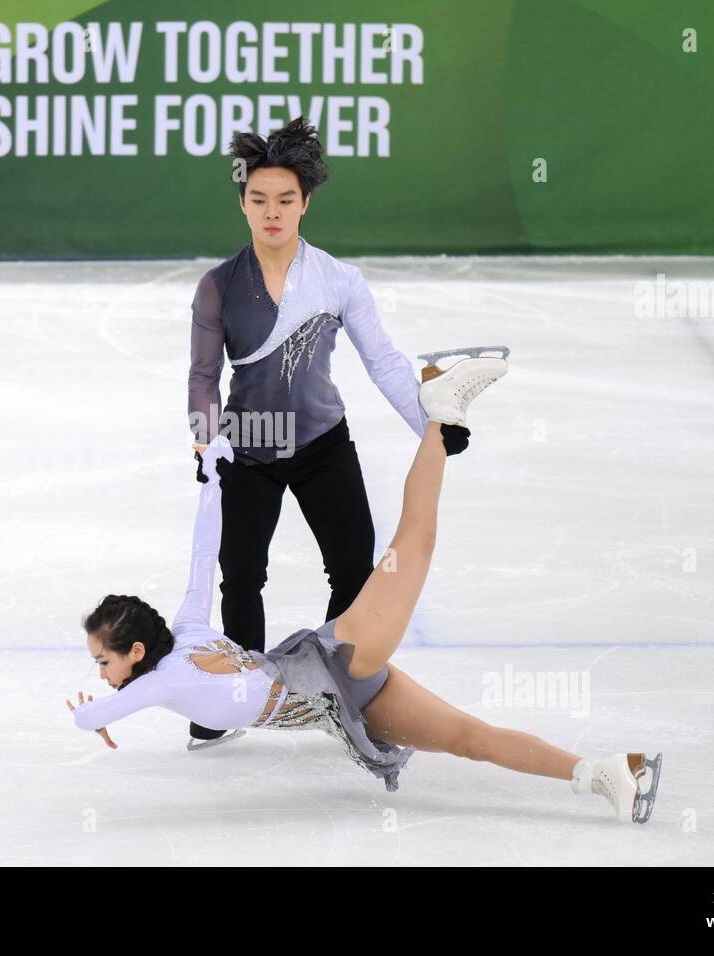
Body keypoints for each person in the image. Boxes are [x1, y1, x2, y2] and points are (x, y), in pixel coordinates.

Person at [70, 354, 663, 823]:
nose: (101, 672)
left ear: (137, 651)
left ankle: (438, 406)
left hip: (344, 653)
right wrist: (213, 476)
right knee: (467, 738)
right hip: (347, 702)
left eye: (103, 660)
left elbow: (204, 553)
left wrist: (213, 474)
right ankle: (605, 772)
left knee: (416, 540)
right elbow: (200, 559)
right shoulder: (179, 650)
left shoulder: (172, 670)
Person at [184, 115, 451, 747]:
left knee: (354, 569)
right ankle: (237, 697)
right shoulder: (218, 286)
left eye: (285, 200)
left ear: (304, 203)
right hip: (248, 450)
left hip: (323, 447)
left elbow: (384, 362)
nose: (271, 212)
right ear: (242, 202)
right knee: (242, 577)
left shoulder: (338, 280)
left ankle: (346, 695)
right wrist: (205, 437)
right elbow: (202, 374)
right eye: (258, 200)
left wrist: (431, 429)